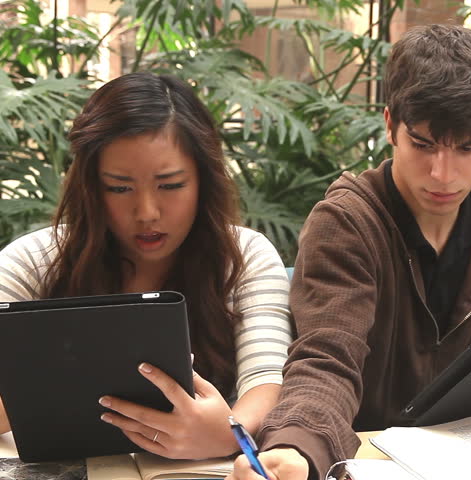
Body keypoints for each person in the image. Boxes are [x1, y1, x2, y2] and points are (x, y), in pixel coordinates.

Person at [228, 24, 471, 480]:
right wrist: (298, 447)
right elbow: (327, 357)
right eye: (423, 144)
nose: (443, 173)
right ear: (390, 124)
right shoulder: (346, 224)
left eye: (467, 148)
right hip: (367, 462)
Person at [0, 72, 293, 460]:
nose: (146, 213)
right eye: (119, 188)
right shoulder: (32, 262)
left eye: (170, 185)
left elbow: (269, 380)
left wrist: (230, 433)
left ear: (204, 182)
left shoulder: (245, 257)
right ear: (89, 186)